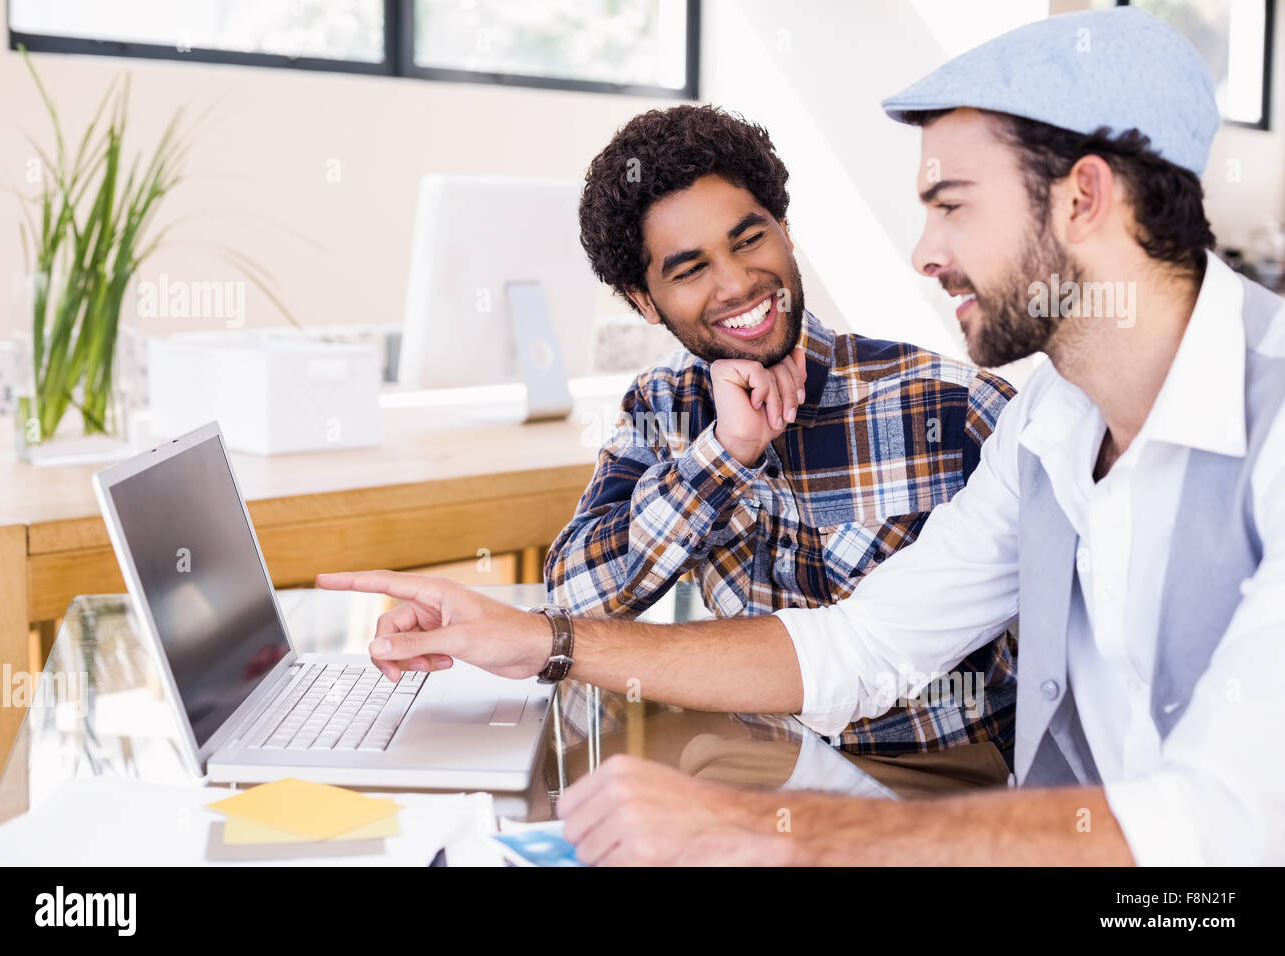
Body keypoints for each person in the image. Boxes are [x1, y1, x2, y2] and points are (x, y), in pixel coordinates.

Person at [318, 7, 1285, 865]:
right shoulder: (1052, 421)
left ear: (1081, 198)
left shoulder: (1253, 425)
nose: (923, 253)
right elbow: (862, 647)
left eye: (950, 204)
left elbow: (1221, 834)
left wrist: (785, 839)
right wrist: (542, 637)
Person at [544, 104, 1017, 780]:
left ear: (786, 232)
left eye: (748, 240)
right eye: (689, 270)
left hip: (943, 772)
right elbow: (574, 600)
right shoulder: (664, 409)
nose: (736, 283)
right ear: (644, 302)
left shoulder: (950, 402)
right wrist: (721, 457)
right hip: (766, 757)